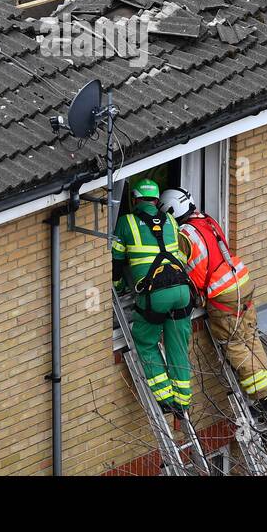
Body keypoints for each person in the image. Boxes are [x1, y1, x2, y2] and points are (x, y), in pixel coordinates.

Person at [160, 188, 267, 418]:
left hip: (222, 294)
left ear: (171, 211)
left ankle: (263, 396)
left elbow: (175, 267)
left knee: (233, 343)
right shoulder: (207, 220)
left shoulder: (184, 234)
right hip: (241, 281)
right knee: (249, 336)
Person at [111, 178, 194, 417]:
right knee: (177, 343)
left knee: (146, 341)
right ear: (157, 200)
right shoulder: (169, 220)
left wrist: (118, 285)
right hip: (182, 290)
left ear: (134, 199)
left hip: (155, 294)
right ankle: (183, 401)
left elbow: (116, 262)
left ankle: (166, 399)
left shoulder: (126, 222)